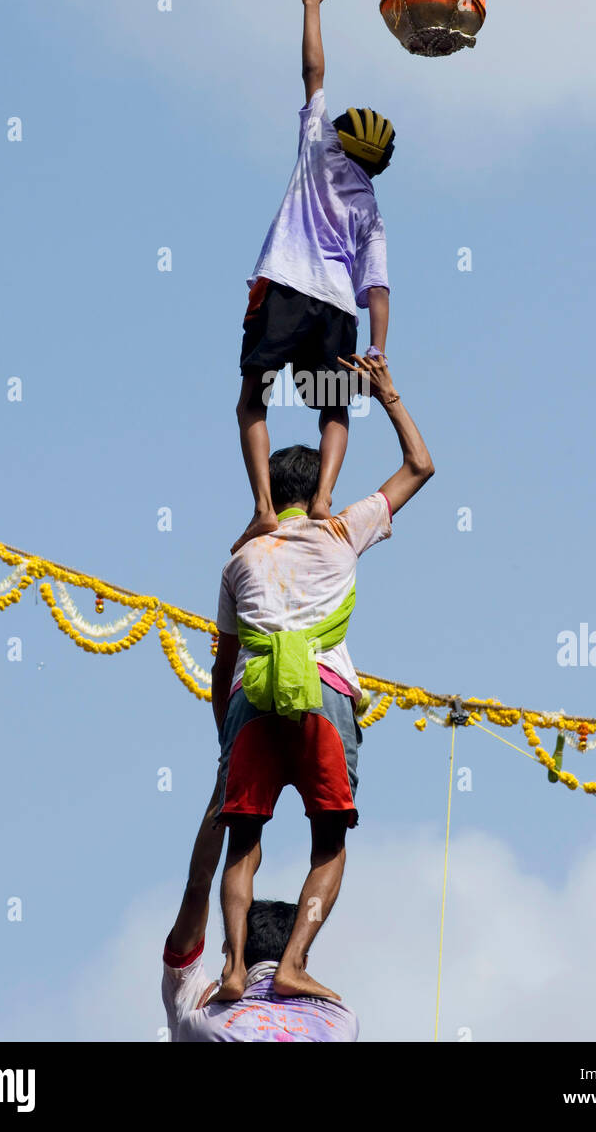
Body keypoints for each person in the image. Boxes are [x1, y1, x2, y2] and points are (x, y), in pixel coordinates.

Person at [212, 354, 434, 1002]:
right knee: (329, 839)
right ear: (315, 491)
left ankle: (231, 970)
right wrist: (389, 395)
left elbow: (221, 663)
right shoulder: (339, 530)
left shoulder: (241, 557)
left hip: (250, 701)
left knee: (245, 840)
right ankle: (295, 961)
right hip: (325, 696)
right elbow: (421, 467)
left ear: (268, 491)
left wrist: (223, 739)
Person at [233, 0, 396, 553]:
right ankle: (324, 498)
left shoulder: (317, 145)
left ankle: (264, 510)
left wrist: (310, 5)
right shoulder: (371, 211)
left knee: (253, 398)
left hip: (283, 289)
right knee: (334, 410)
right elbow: (377, 289)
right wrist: (376, 352)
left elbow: (313, 71)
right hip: (336, 312)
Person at [161, 781, 358, 1042]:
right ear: (303, 961)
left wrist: (225, 787)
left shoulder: (197, 1001)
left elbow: (198, 887)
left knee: (242, 844)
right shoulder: (336, 1019)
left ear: (227, 945)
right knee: (329, 850)